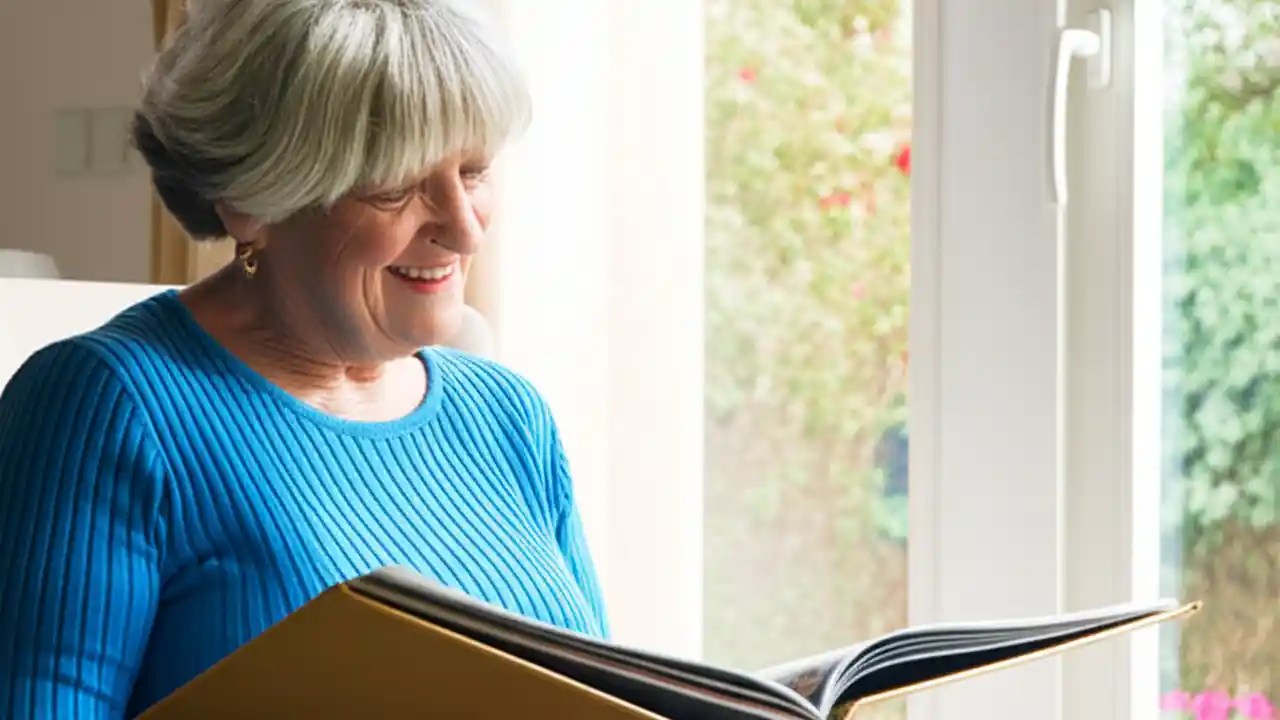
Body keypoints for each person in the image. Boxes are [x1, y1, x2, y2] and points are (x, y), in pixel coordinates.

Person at [0, 1, 609, 717]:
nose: (464, 229)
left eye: (473, 171)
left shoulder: (509, 417)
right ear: (250, 201)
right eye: (398, 183)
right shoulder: (104, 406)